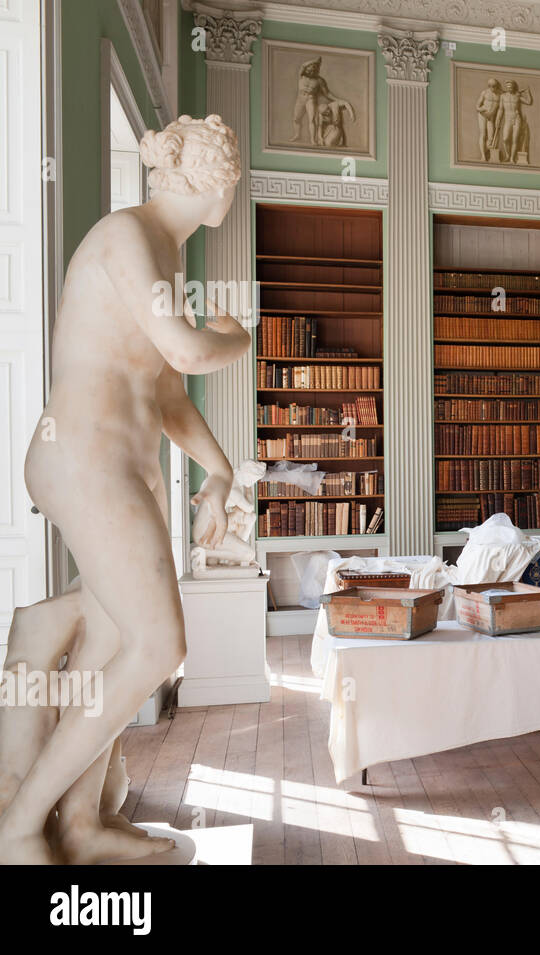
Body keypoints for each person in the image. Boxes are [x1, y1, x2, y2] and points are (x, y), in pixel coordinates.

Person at [0, 114, 250, 864]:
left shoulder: (162, 260)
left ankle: (78, 820)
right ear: (217, 184)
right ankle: (18, 822)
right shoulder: (126, 237)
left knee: (110, 642)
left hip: (126, 465)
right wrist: (239, 333)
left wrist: (221, 470)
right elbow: (187, 347)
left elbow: (169, 394)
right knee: (158, 642)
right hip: (85, 458)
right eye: (233, 180)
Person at [498, 80, 533, 165]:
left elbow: (529, 102)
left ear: (513, 87)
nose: (509, 88)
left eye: (511, 86)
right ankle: (507, 155)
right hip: (507, 119)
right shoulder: (503, 96)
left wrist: (527, 92)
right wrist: (498, 119)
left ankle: (512, 158)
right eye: (508, 86)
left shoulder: (517, 96)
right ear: (506, 87)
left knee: (515, 139)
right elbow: (501, 109)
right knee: (505, 138)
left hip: (517, 119)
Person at [476, 78, 503, 162]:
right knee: (483, 134)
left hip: (491, 117)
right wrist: (482, 111)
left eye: (494, 86)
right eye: (490, 86)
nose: (492, 88)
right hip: (483, 115)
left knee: (490, 137)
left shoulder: (500, 94)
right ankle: (483, 156)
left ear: (496, 86)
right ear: (488, 86)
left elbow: (509, 92)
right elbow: (477, 106)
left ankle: (488, 152)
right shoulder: (485, 93)